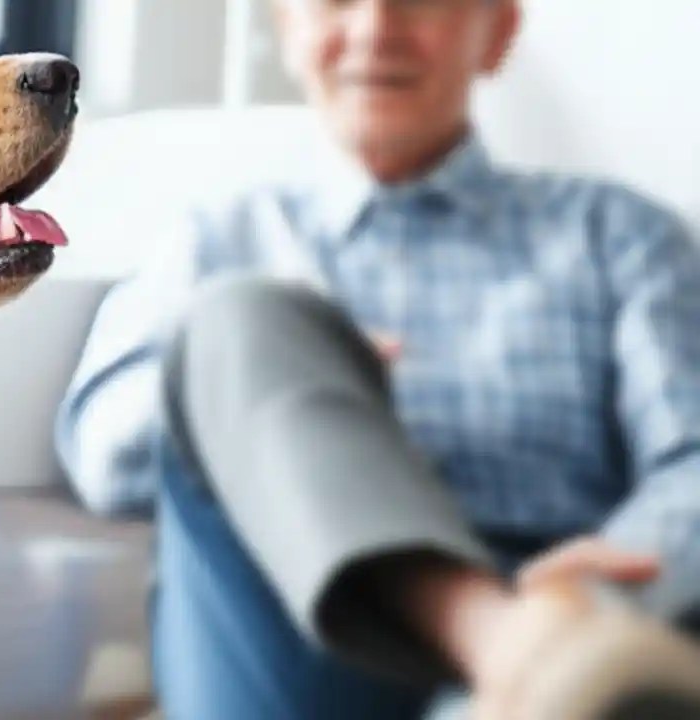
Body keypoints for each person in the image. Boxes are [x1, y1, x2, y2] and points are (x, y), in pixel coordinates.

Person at [54, 0, 700, 717]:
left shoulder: (620, 236)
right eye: (336, 1)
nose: (374, 30)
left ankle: (536, 656)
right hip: (298, 643)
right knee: (245, 319)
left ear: (498, 33)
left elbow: (693, 459)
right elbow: (106, 458)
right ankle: (508, 645)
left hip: (578, 617)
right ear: (287, 28)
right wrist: (303, 385)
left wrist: (602, 591)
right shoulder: (219, 239)